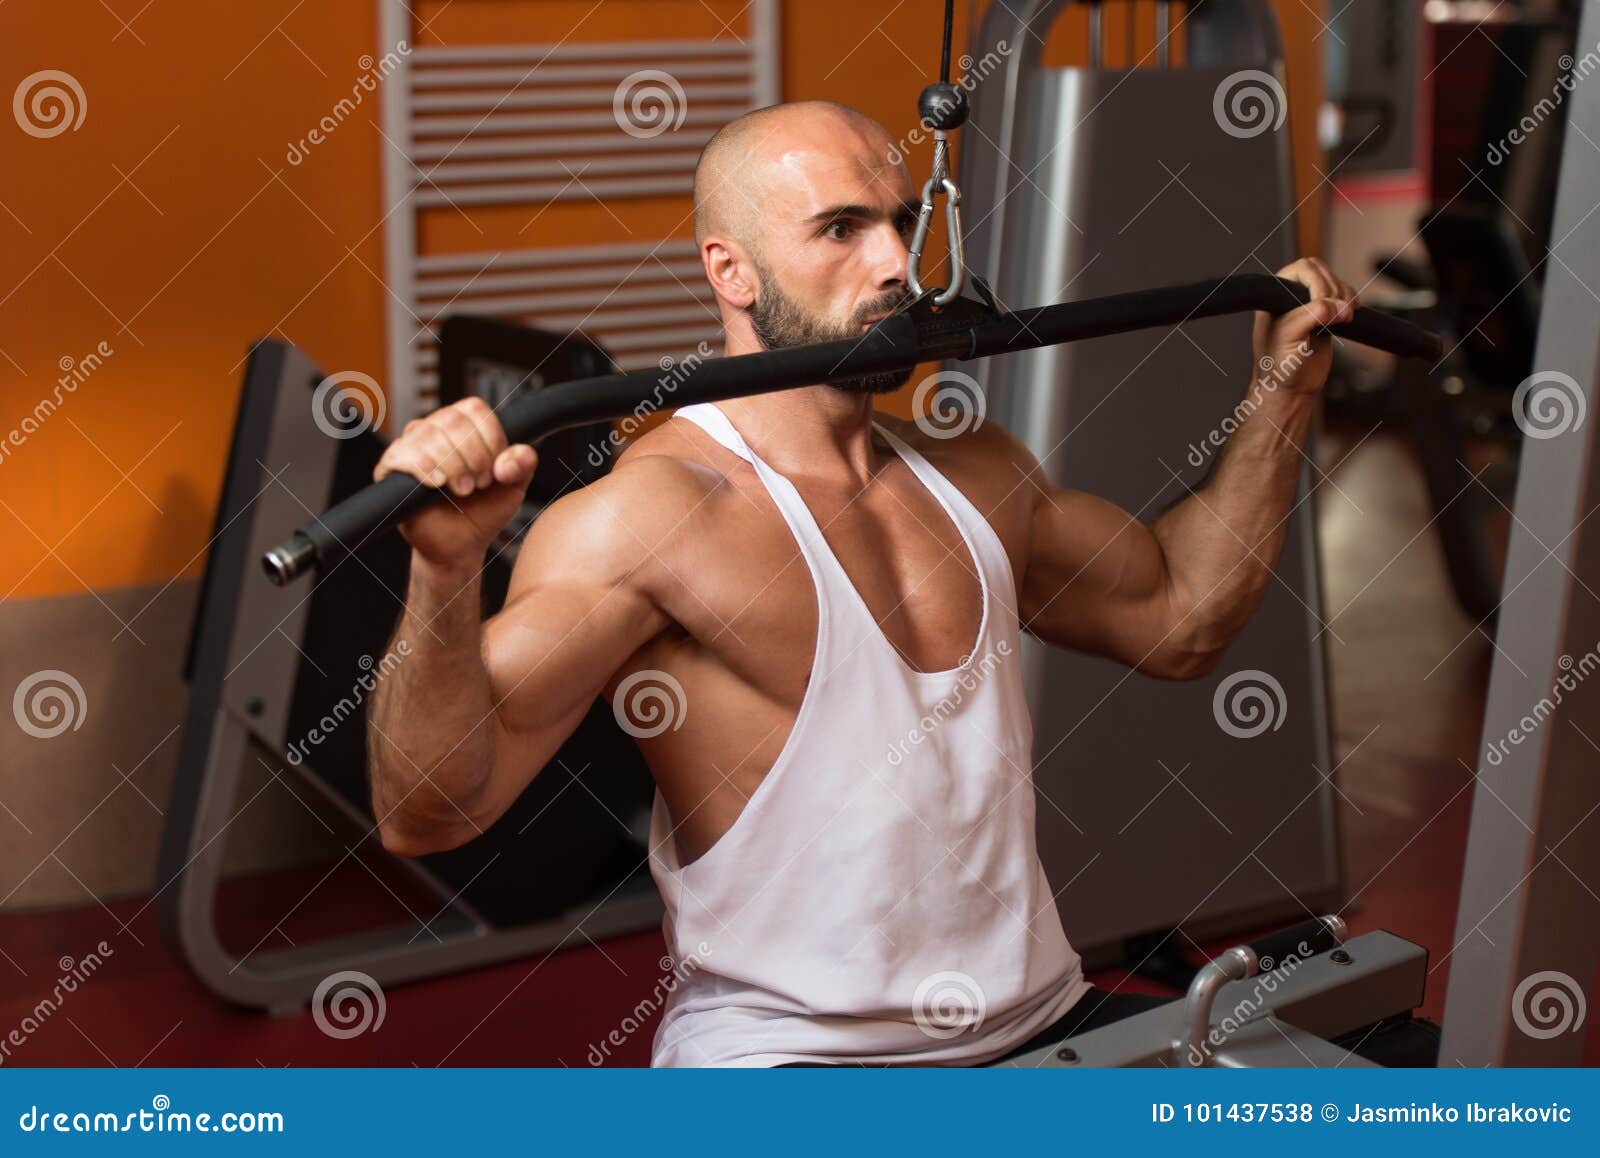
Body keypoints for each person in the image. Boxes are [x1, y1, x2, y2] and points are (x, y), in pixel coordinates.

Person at [365, 100, 1360, 1067]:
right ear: (731, 269)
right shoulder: (656, 519)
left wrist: (1282, 397)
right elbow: (428, 813)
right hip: (793, 1063)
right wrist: (443, 569)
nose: (895, 266)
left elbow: (1181, 621)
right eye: (840, 229)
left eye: (900, 224)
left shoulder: (977, 471)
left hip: (1038, 1026)